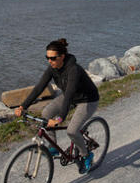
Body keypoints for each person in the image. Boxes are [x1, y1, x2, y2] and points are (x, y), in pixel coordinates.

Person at [15, 38, 100, 174]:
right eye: (47, 58)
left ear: (62, 57)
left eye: (53, 58)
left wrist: (59, 119)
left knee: (72, 131)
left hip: (87, 99)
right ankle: (53, 147)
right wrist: (23, 106)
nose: (50, 61)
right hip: (69, 96)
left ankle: (86, 155)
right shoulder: (52, 68)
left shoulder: (73, 70)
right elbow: (39, 88)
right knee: (46, 113)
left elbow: (69, 95)